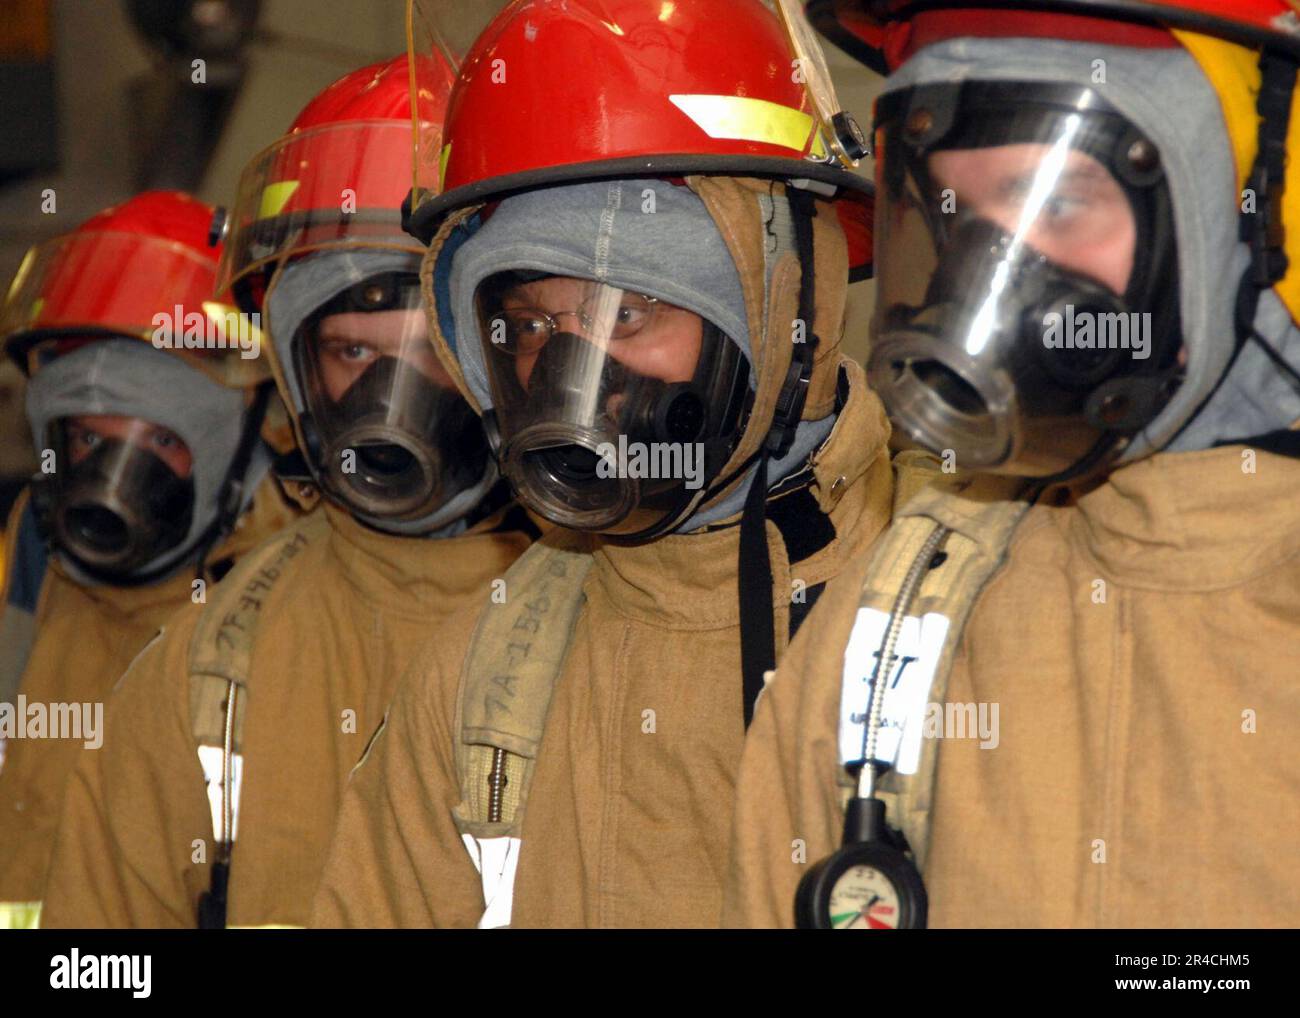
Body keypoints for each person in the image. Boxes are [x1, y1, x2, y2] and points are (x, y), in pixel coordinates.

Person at [310, 0, 895, 929]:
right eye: (537, 327)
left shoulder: (959, 630)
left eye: (628, 315)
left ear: (785, 308)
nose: (577, 382)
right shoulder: (479, 677)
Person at [726, 0, 1300, 928]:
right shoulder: (879, 634)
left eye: (1058, 203)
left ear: (1256, 206)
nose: (981, 280)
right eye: (958, 215)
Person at [38, 54, 535, 930]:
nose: (393, 407)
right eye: (353, 353)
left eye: (429, 354)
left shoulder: (614, 629)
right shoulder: (204, 672)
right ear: (298, 376)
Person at [0, 191, 298, 928]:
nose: (112, 489)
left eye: (160, 443)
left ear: (240, 451)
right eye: (91, 444)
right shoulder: (30, 558)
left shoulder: (291, 596)